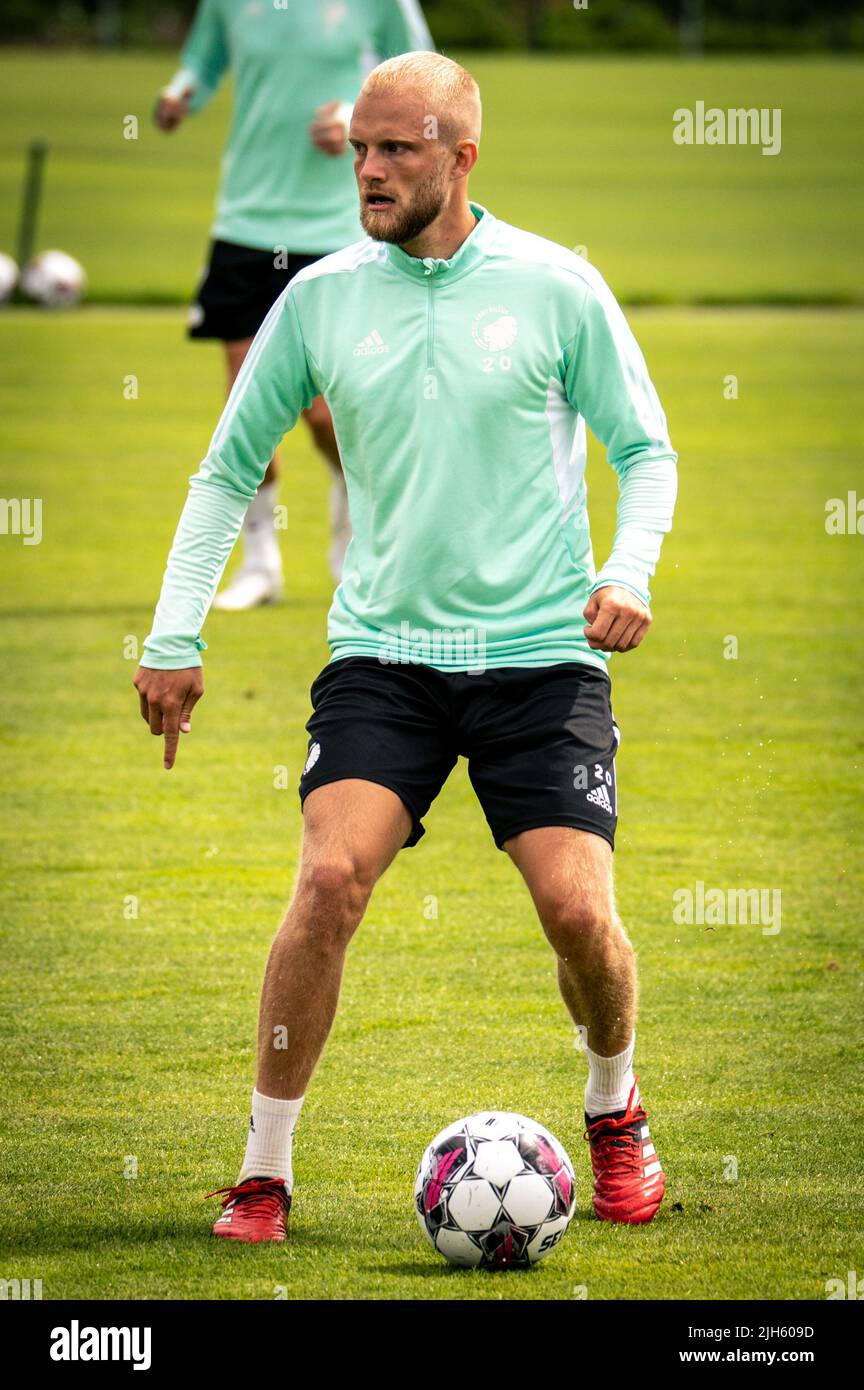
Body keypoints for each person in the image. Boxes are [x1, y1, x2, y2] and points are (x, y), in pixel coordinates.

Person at [135, 52, 678, 1246]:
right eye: (361, 148)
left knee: (579, 916)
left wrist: (625, 573)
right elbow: (228, 468)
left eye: (397, 150)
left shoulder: (557, 286)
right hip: (385, 656)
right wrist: (175, 631)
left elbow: (647, 451)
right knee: (328, 881)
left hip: (541, 658)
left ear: (461, 155)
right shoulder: (321, 297)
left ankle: (614, 1104)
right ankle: (264, 1171)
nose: (368, 169)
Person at [154, 0, 433, 607]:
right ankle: (261, 565)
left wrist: (358, 121)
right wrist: (178, 95)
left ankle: (356, 526)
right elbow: (204, 60)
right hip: (245, 222)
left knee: (328, 415)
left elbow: (425, 81)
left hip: (338, 227)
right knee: (244, 406)